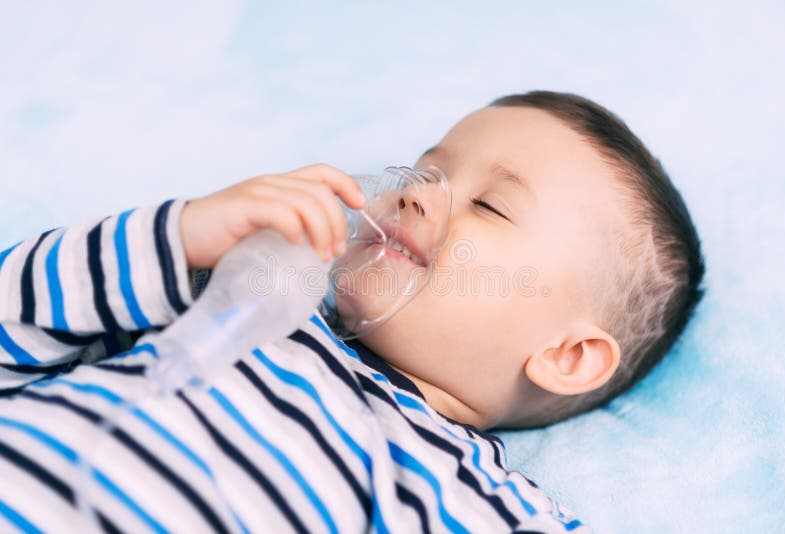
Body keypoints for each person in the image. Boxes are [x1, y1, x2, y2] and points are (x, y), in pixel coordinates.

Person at [0, 90, 705, 532]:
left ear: (566, 354)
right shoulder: (228, 294)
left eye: (489, 204)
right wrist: (179, 236)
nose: (417, 192)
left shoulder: (469, 496)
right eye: (427, 167)